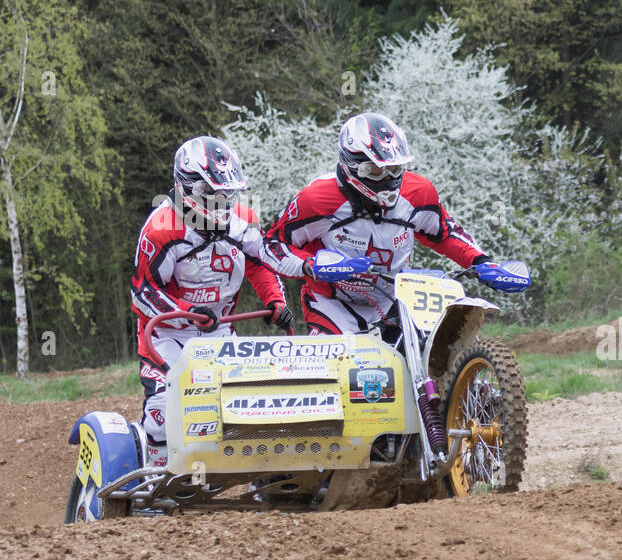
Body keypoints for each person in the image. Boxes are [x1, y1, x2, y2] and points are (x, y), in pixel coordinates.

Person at [261, 112, 523, 336]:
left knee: (439, 352)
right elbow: (271, 245)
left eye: (395, 169)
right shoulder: (316, 199)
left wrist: (481, 262)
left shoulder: (418, 192)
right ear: (352, 166)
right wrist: (312, 266)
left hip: (395, 298)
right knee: (336, 375)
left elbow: (444, 233)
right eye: (375, 171)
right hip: (332, 303)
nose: (387, 178)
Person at [131, 136, 291, 467]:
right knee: (164, 411)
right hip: (167, 335)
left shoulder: (245, 220)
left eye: (229, 194)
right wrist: (187, 312)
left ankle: (264, 476)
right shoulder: (160, 230)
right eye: (213, 194)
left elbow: (260, 262)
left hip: (220, 332)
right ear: (187, 187)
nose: (223, 202)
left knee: (251, 405)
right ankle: (154, 478)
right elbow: (143, 294)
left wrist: (274, 299)